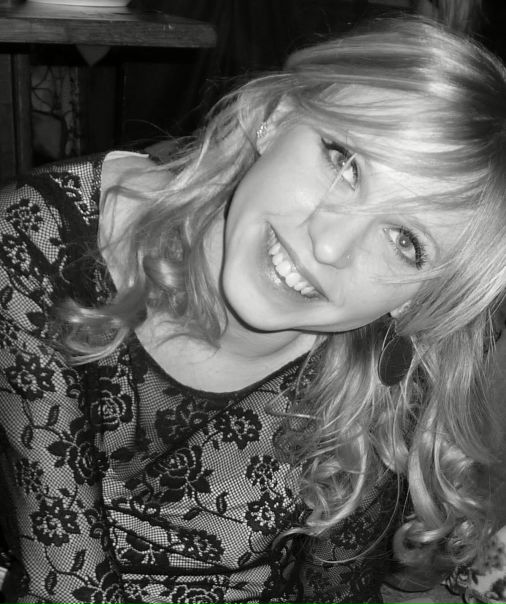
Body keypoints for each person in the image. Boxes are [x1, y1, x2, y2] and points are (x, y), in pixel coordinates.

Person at [1, 15, 506, 604]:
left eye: (405, 241)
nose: (328, 244)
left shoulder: (383, 388)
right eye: (344, 161)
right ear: (278, 118)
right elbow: (65, 583)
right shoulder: (38, 241)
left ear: (420, 297)